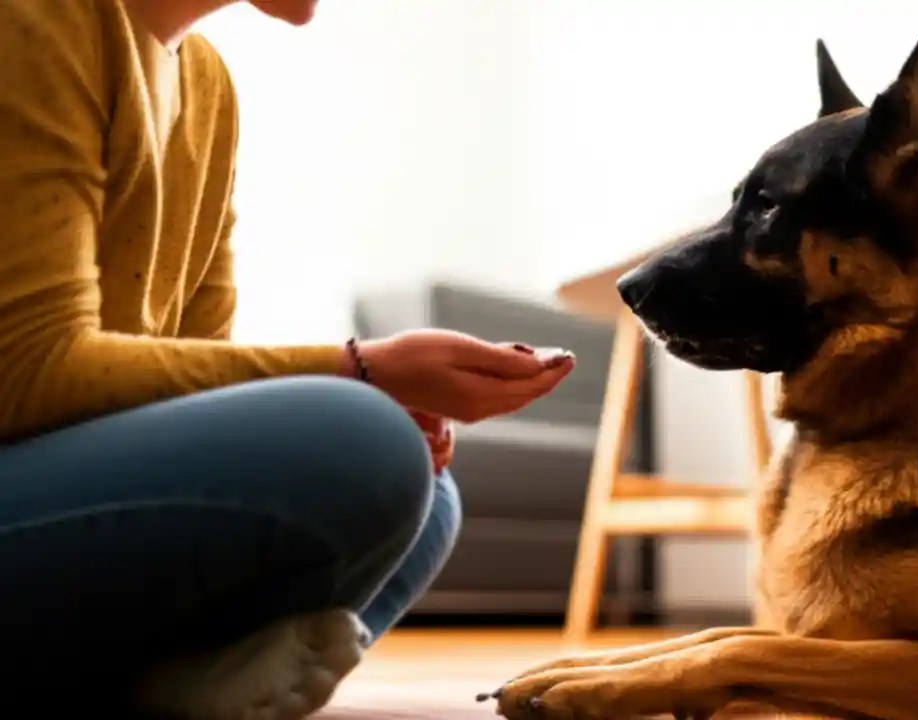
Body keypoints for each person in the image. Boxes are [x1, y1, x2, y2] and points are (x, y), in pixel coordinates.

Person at [0, 0, 575, 716]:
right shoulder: (37, 19)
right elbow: (26, 368)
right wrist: (356, 370)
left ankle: (156, 688)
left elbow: (191, 377)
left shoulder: (207, 86)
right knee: (362, 440)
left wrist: (374, 384)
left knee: (430, 494)